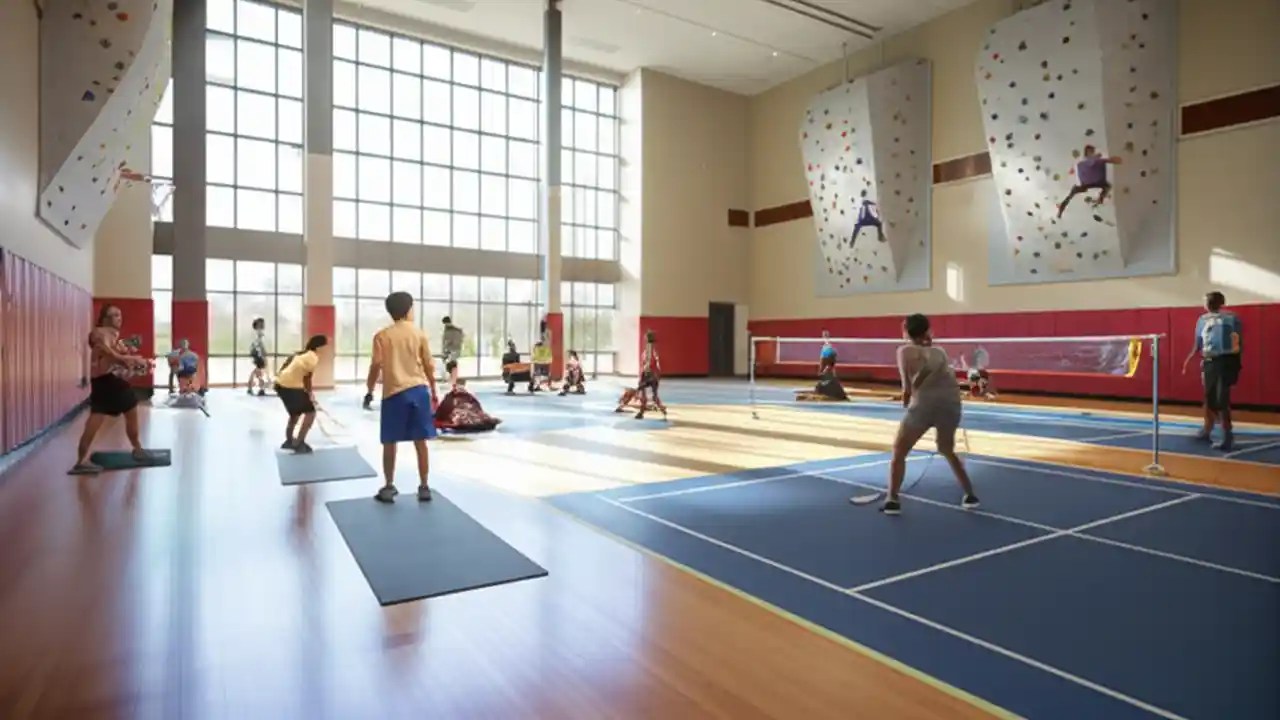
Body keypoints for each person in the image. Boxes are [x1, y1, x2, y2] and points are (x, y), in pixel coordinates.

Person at [870, 313, 979, 515]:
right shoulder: (940, 352)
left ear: (906, 331)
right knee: (947, 449)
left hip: (923, 406)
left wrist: (905, 402)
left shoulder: (904, 351)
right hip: (951, 406)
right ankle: (970, 494)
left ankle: (892, 499)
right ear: (927, 330)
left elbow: (907, 387)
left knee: (899, 451)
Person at [367, 292, 439, 503]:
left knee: (390, 442)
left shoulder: (382, 336)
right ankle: (424, 487)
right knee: (421, 442)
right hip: (418, 390)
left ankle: (389, 486)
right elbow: (428, 365)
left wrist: (369, 389)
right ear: (408, 310)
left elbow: (375, 364)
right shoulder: (419, 333)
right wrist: (433, 389)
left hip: (393, 393)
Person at [70, 304, 154, 475]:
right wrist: (124, 359)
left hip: (101, 382)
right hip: (108, 382)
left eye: (119, 315)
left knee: (96, 418)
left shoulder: (113, 336)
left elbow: (110, 357)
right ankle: (137, 449)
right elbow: (103, 348)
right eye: (114, 315)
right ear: (105, 318)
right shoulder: (101, 333)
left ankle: (80, 461)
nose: (118, 318)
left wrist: (132, 360)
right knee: (130, 408)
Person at [1181, 291, 1242, 451]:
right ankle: (1207, 429)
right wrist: (1189, 359)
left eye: (1206, 301)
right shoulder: (1202, 320)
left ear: (1214, 303)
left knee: (1222, 399)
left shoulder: (1231, 319)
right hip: (1210, 362)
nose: (1205, 304)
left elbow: (1237, 341)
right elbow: (1198, 343)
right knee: (1209, 397)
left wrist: (1235, 363)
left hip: (1225, 361)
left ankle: (1227, 435)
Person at [275, 334, 328, 454]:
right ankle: (299, 443)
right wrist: (310, 394)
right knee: (310, 412)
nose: (326, 350)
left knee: (295, 413)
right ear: (319, 347)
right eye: (325, 346)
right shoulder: (313, 357)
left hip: (280, 385)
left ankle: (289, 441)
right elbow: (307, 378)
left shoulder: (302, 354)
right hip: (291, 386)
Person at [1057, 145, 1122, 218]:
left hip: (1091, 183)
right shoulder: (1087, 160)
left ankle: (1099, 201)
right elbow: (1091, 162)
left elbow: (1111, 160)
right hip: (1087, 184)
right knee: (1071, 194)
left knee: (1107, 186)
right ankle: (1061, 210)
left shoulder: (1092, 160)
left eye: (1092, 151)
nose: (1093, 153)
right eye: (1091, 151)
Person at [635, 330, 668, 420]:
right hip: (653, 375)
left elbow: (648, 361)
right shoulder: (652, 348)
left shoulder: (648, 348)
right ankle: (663, 410)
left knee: (643, 394)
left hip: (647, 374)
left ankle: (641, 412)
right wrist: (658, 372)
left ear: (646, 338)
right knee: (654, 396)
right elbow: (656, 360)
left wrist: (643, 374)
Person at [247, 317, 268, 396]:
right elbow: (258, 344)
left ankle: (253, 388)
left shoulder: (257, 333)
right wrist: (262, 353)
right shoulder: (258, 333)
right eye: (262, 323)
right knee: (258, 371)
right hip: (257, 354)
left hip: (256, 353)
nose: (263, 325)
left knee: (256, 371)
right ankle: (260, 388)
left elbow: (258, 344)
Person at [440, 316, 464, 386]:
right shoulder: (457, 330)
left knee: (451, 364)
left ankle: (452, 379)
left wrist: (444, 350)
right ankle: (453, 379)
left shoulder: (450, 331)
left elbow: (446, 341)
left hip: (452, 350)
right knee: (452, 364)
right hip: (454, 350)